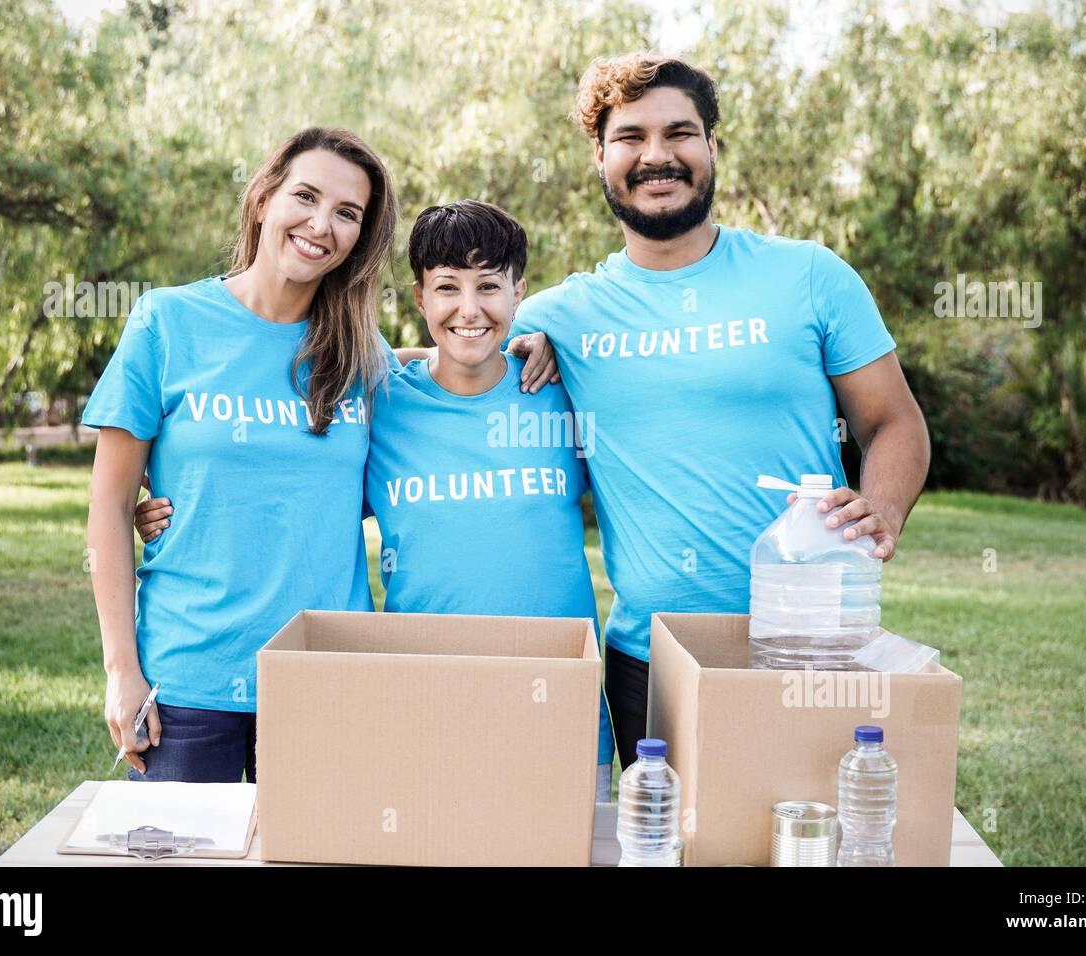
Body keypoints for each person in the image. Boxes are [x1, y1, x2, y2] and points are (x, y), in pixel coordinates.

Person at [506, 54, 931, 768]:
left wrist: (883, 509)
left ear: (712, 148)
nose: (657, 155)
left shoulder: (810, 276)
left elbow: (894, 422)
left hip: (813, 642)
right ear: (600, 158)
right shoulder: (559, 315)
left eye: (680, 132)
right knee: (665, 846)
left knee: (807, 841)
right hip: (651, 657)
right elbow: (448, 359)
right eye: (631, 137)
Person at [84, 127, 399, 782]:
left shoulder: (363, 356)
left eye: (347, 213)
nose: (322, 224)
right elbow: (110, 508)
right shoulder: (164, 323)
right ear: (262, 198)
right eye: (306, 196)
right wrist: (121, 670)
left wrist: (529, 344)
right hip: (191, 677)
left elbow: (443, 410)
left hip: (326, 672)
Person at [364, 200, 616, 797]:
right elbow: (298, 493)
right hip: (424, 698)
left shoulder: (566, 393)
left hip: (561, 698)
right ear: (421, 298)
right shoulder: (379, 407)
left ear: (519, 293)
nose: (469, 309)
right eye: (447, 287)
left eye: (489, 286)